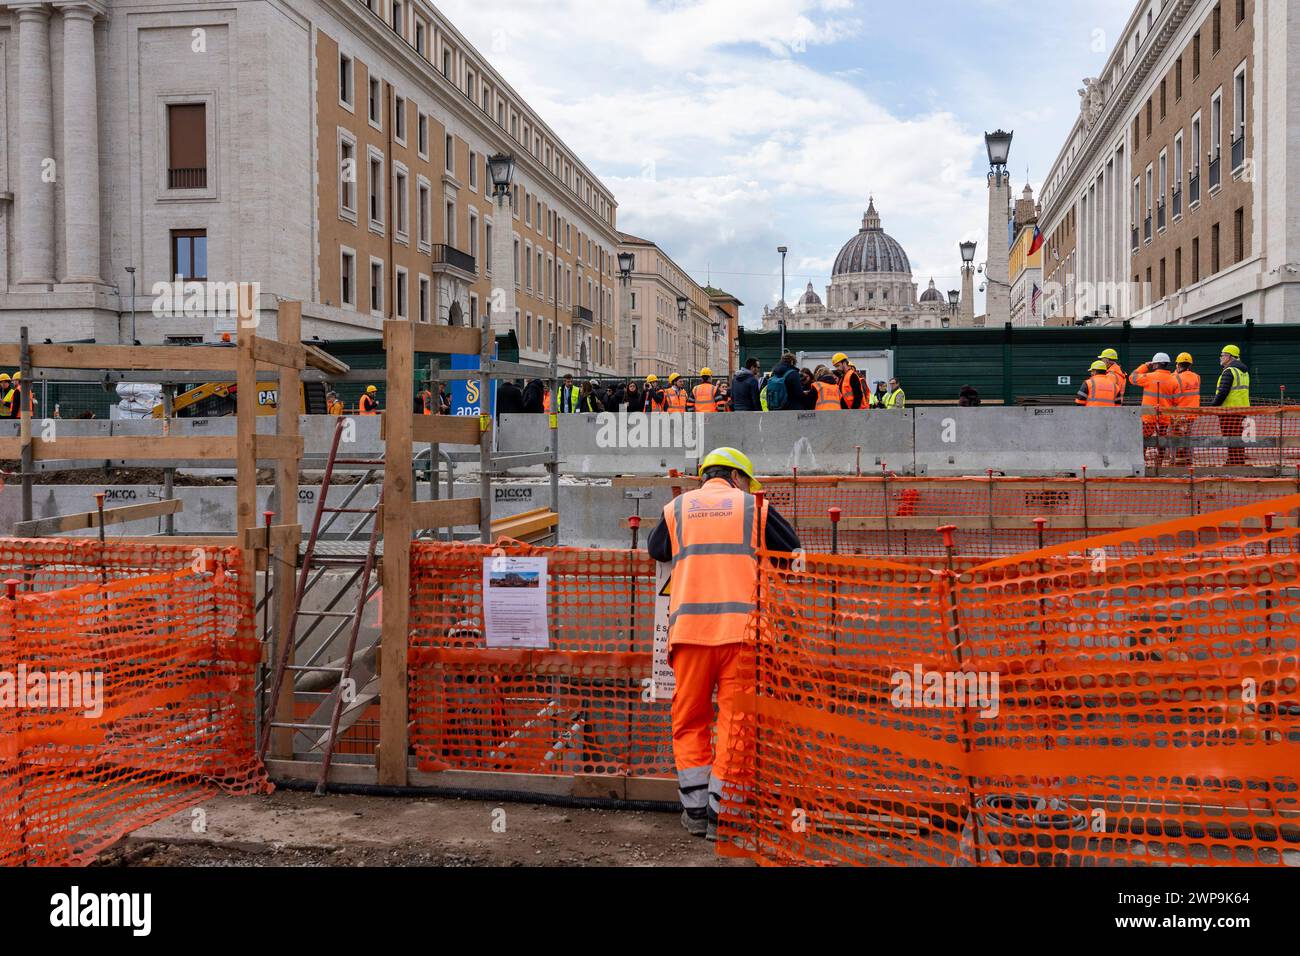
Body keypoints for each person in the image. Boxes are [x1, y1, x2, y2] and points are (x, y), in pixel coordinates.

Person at [646, 447, 801, 840]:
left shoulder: (678, 508)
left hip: (689, 637)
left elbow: (656, 549)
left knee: (690, 720)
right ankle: (724, 815)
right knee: (737, 723)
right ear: (737, 477)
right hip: (743, 636)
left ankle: (696, 811)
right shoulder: (753, 508)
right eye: (748, 482)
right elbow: (794, 553)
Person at [1129, 353, 1178, 463]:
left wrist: (1145, 366)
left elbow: (1132, 378)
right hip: (1164, 417)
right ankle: (1160, 462)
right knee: (1161, 440)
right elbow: (1176, 401)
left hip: (1148, 417)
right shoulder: (1173, 380)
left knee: (1144, 438)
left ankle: (1141, 461)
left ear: (1155, 365)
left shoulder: (1148, 377)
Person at [1211, 344, 1251, 466]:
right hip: (1241, 410)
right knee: (1237, 436)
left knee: (1230, 437)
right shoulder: (1244, 371)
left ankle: (1234, 462)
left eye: (1223, 355)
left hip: (1229, 411)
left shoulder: (1229, 371)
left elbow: (1223, 392)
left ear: (1230, 356)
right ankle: (1237, 460)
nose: (1221, 358)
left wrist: (1212, 406)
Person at [1169, 353, 1201, 465]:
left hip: (1178, 414)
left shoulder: (1175, 377)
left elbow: (1172, 395)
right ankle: (1189, 461)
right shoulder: (1197, 377)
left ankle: (1173, 461)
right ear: (1190, 365)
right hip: (1192, 414)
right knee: (1189, 437)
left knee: (1173, 437)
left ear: (1178, 365)